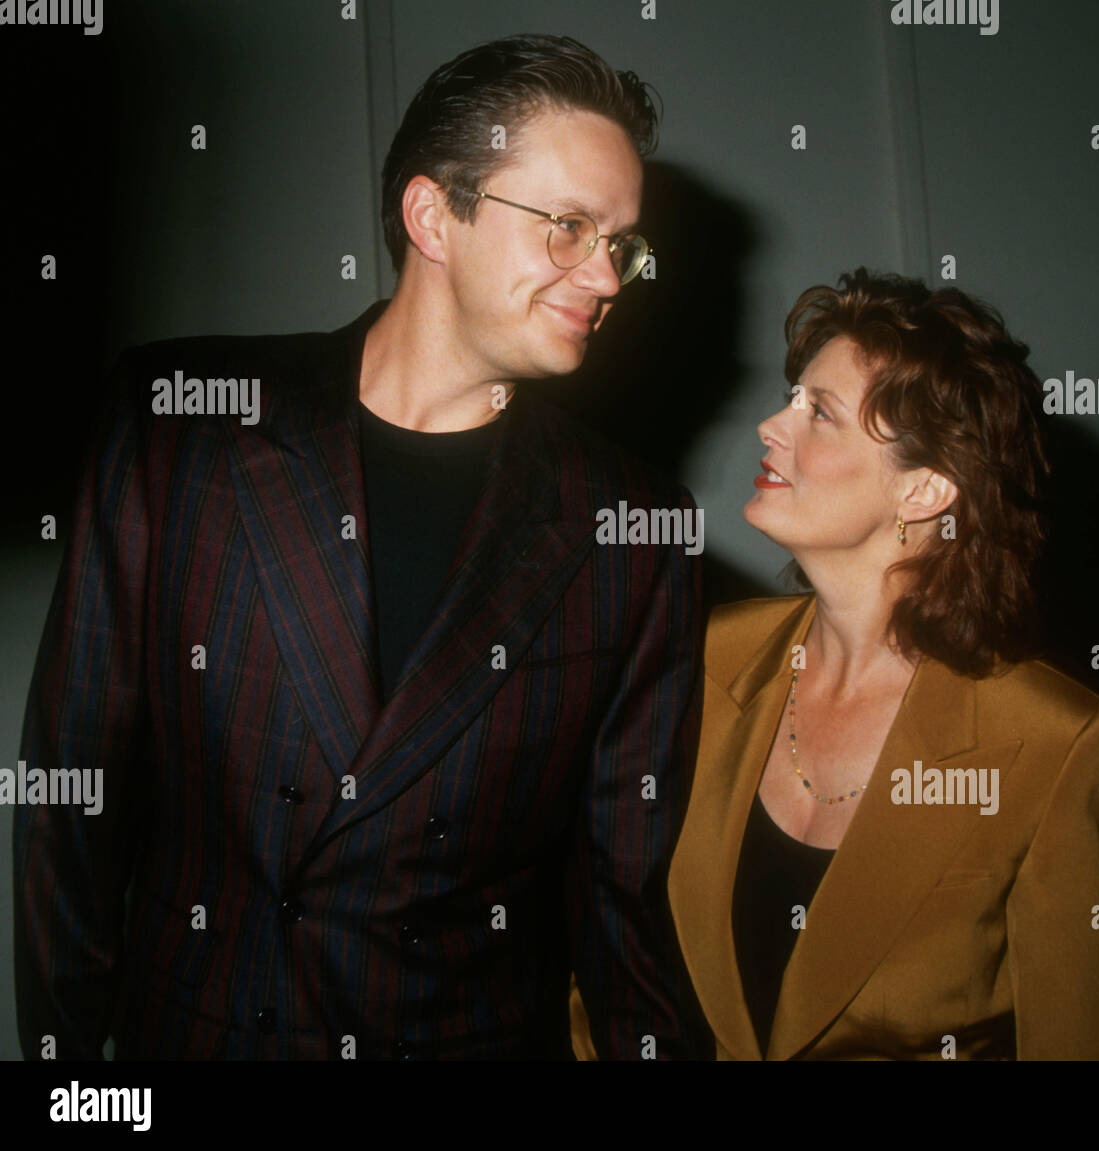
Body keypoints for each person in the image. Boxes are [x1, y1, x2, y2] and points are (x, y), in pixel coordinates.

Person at [14, 33, 706, 1061]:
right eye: (568, 227)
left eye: (622, 243)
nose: (606, 275)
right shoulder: (183, 425)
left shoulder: (634, 528)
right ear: (432, 215)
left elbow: (620, 904)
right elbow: (73, 791)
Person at [665, 269, 1099, 1060]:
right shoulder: (703, 657)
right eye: (791, 397)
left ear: (922, 490)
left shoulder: (1053, 744)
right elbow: (611, 964)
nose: (770, 428)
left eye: (820, 412)